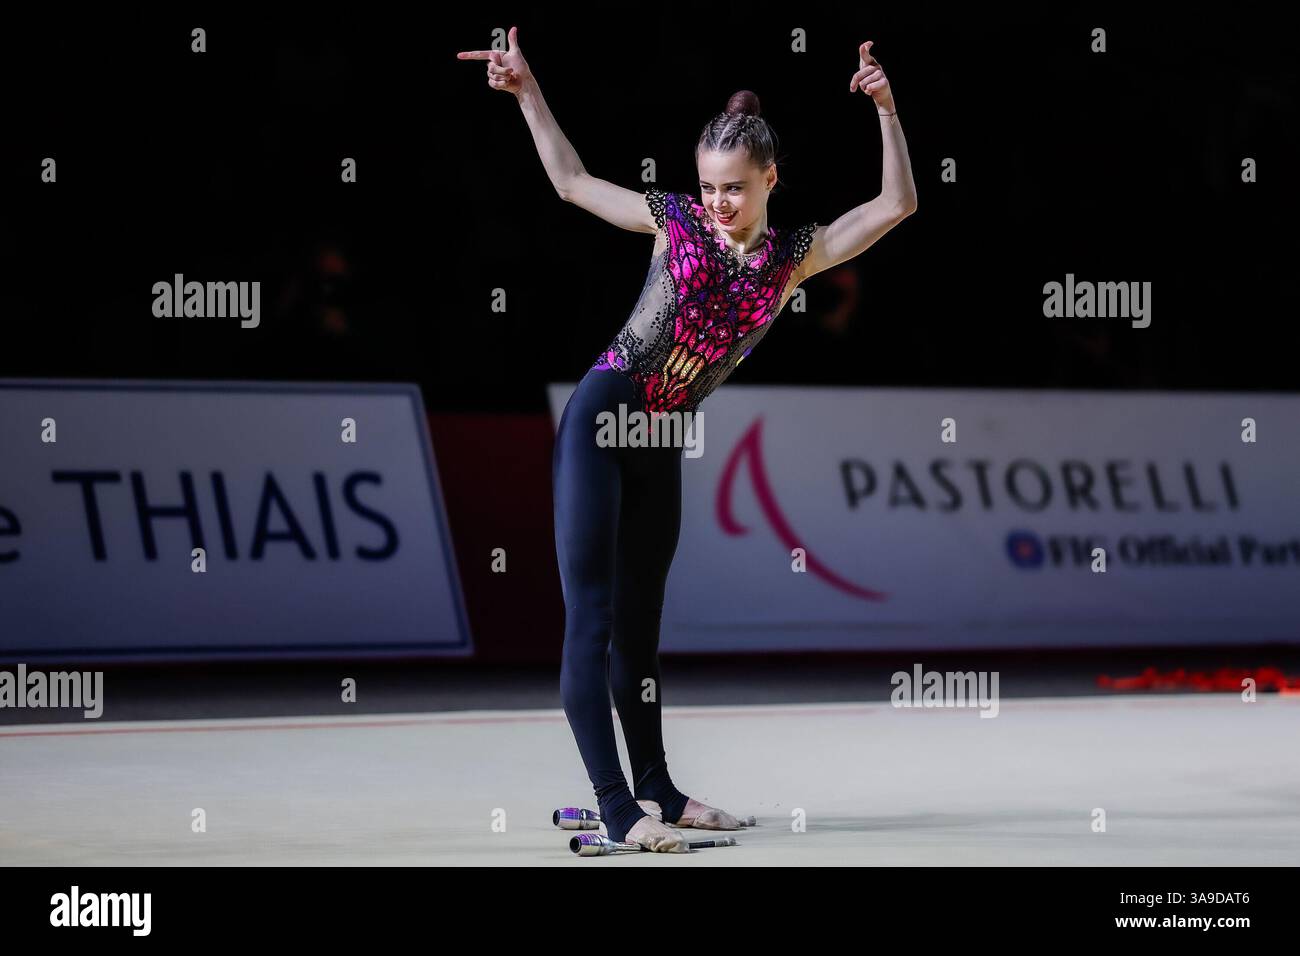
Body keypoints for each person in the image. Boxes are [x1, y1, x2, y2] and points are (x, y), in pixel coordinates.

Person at [458, 27, 917, 852]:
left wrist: (885, 109)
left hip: (659, 440)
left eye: (734, 189)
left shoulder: (793, 259)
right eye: (707, 187)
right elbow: (570, 182)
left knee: (641, 627)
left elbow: (897, 207)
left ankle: (658, 789)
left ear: (771, 179)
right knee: (591, 620)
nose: (717, 203)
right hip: (604, 421)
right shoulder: (673, 223)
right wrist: (527, 91)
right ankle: (615, 805)